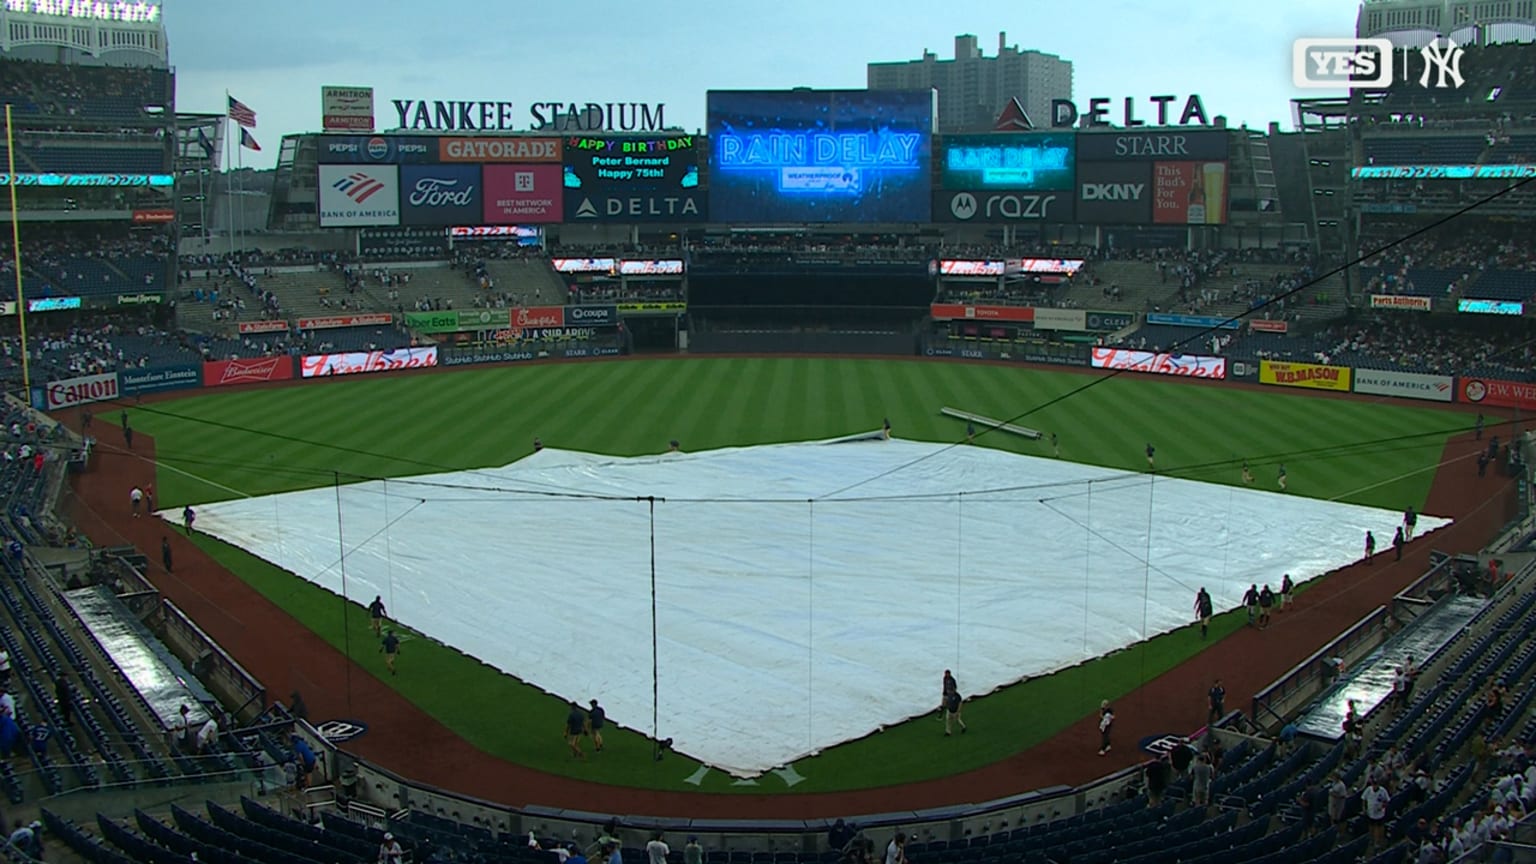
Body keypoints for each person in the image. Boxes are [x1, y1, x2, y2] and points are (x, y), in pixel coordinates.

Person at [1363, 778, 1391, 847]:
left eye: (1376, 784)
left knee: (1379, 827)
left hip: (1379, 813)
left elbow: (1387, 801)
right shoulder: (1369, 790)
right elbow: (1364, 798)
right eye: (1373, 784)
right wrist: (1364, 808)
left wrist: (1382, 807)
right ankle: (1371, 839)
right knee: (1371, 826)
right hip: (1370, 812)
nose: (1374, 786)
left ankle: (1378, 841)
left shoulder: (1383, 791)